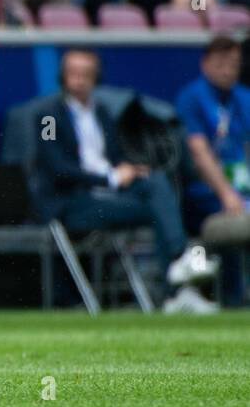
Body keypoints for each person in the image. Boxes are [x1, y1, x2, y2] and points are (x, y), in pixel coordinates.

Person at [33, 49, 218, 314]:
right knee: (159, 209)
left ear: (96, 77)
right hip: (75, 202)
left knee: (155, 183)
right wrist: (110, 177)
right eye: (73, 73)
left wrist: (130, 170)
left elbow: (116, 156)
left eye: (86, 74)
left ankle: (178, 282)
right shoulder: (48, 117)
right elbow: (57, 168)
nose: (80, 80)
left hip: (110, 194)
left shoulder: (103, 114)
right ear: (63, 76)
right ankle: (179, 269)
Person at [175, 36, 250, 305]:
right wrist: (226, 194)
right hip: (206, 192)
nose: (228, 71)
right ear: (205, 64)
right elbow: (199, 153)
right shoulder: (192, 98)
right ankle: (232, 297)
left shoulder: (243, 97)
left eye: (233, 64)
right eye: (221, 64)